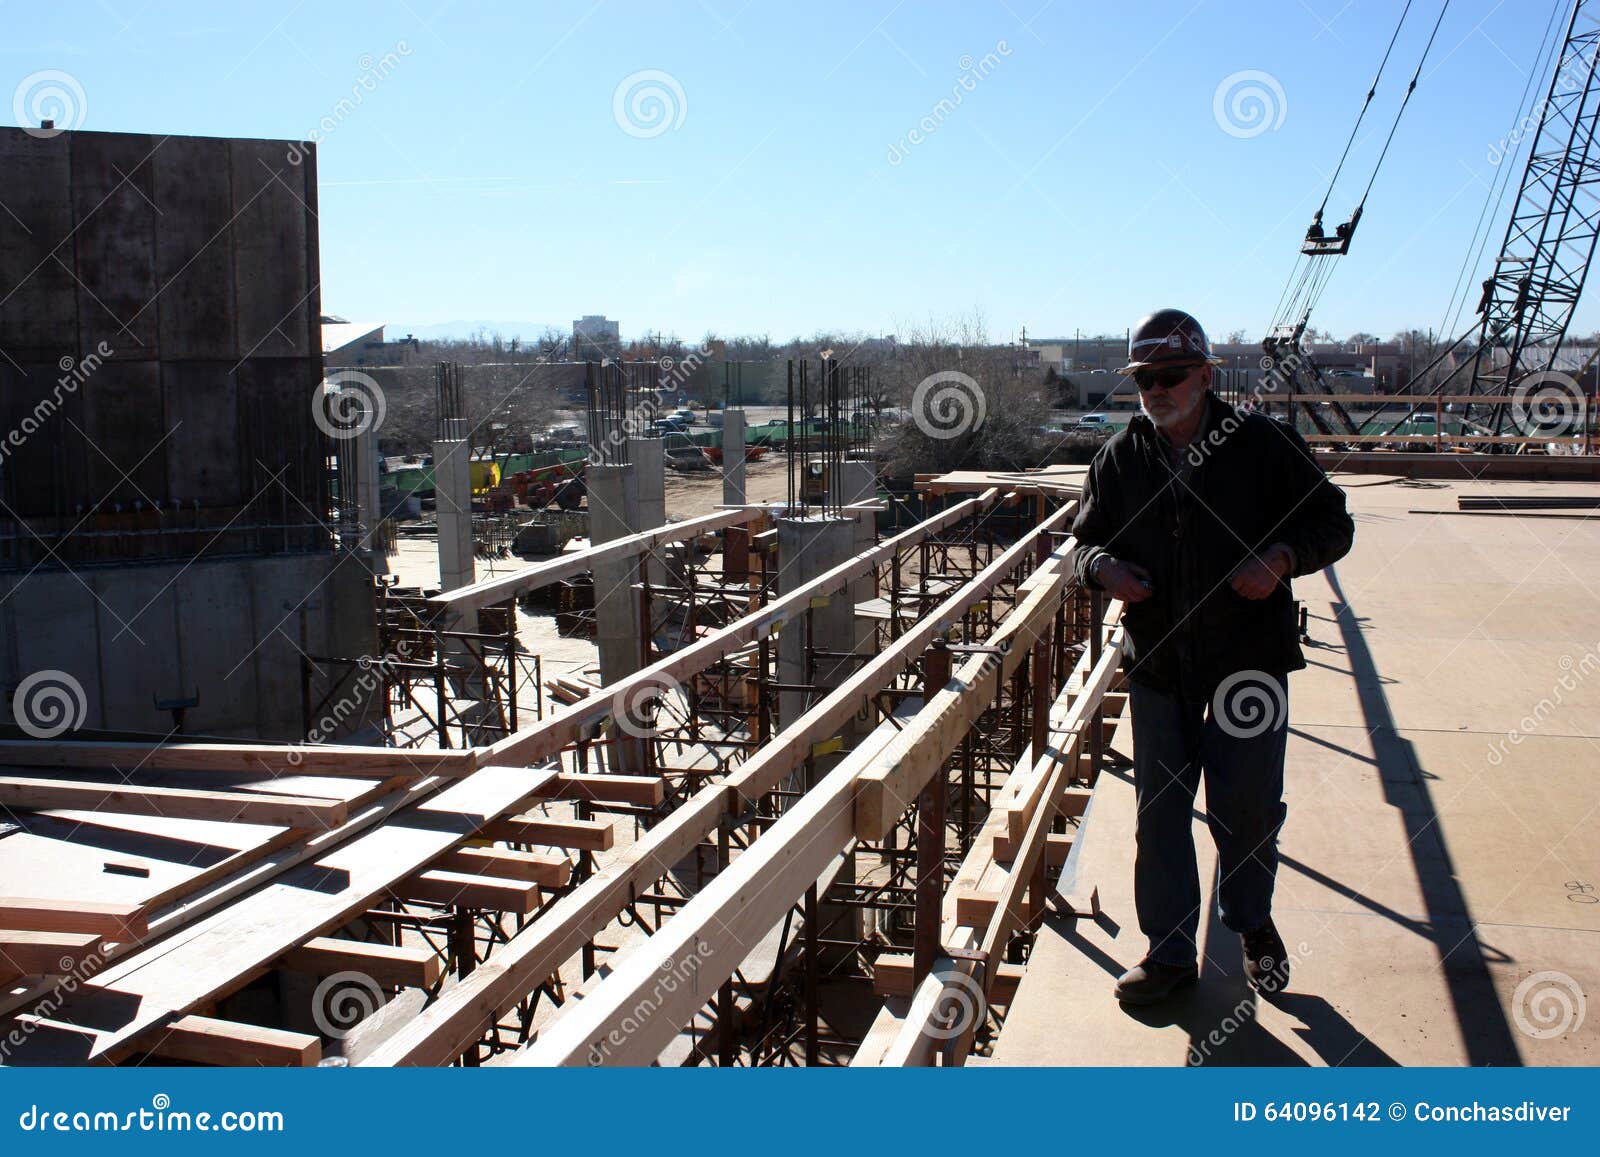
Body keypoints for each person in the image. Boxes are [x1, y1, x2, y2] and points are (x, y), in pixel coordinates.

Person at [1069, 309, 1355, 1005]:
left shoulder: (1260, 445)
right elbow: (1081, 544)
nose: (1156, 388)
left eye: (1170, 375)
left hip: (1246, 660)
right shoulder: (1118, 459)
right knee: (1160, 812)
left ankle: (1251, 922)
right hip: (1161, 664)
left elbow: (1333, 522)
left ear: (1205, 375)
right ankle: (1168, 954)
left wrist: (1283, 557)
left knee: (1246, 807)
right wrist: (1103, 567)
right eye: (1144, 378)